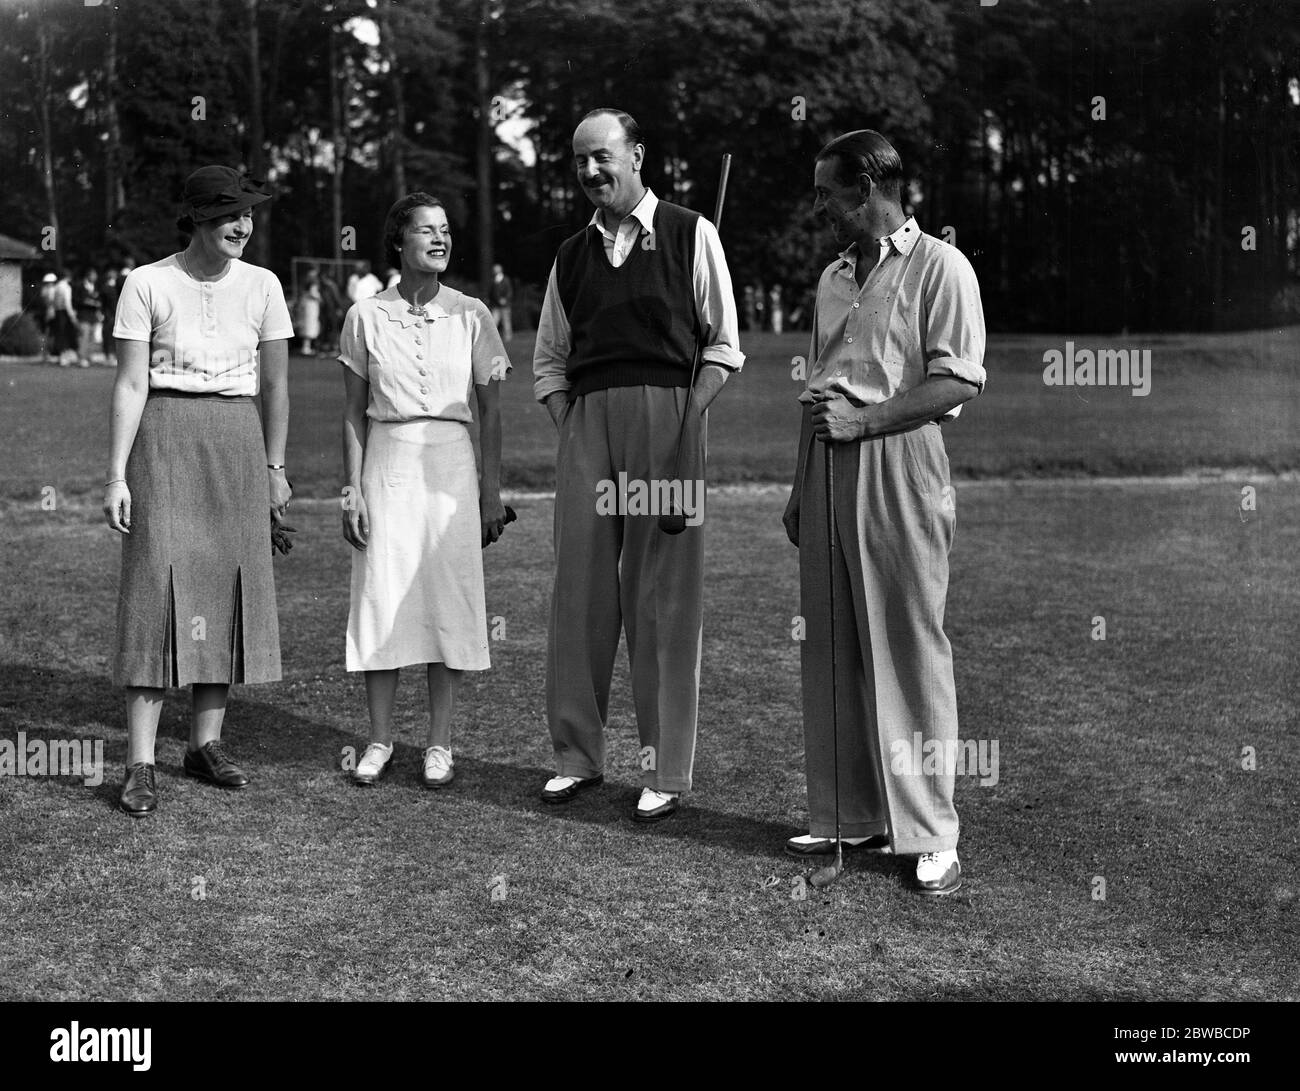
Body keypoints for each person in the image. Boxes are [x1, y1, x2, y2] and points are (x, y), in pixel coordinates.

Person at [782, 130, 986, 895]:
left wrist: (863, 423)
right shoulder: (833, 276)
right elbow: (820, 385)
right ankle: (850, 813)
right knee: (832, 644)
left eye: (826, 192)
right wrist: (799, 487)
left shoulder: (942, 266)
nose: (819, 206)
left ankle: (932, 833)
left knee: (908, 645)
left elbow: (958, 380)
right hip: (826, 461)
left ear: (866, 187)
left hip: (900, 458)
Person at [533, 108, 744, 822]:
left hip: (670, 423)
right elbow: (549, 359)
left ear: (637, 155)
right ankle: (576, 756)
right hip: (589, 423)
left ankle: (663, 768)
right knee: (581, 592)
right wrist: (573, 427)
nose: (591, 170)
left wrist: (688, 420)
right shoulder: (570, 255)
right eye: (580, 160)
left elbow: (723, 346)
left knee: (662, 597)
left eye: (603, 155)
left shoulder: (692, 232)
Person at [103, 165, 294, 816]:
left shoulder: (264, 285)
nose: (243, 225)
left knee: (223, 581)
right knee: (156, 587)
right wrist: (116, 475)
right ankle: (140, 762)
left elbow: (277, 385)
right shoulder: (146, 283)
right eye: (229, 214)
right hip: (163, 438)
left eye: (249, 214)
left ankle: (204, 745)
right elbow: (131, 384)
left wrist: (274, 468)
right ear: (198, 218)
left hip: (237, 440)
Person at [339, 192, 510, 788]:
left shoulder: (472, 314)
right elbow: (353, 412)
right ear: (398, 241)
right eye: (426, 230)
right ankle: (379, 739)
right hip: (386, 463)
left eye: (445, 230)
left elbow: (491, 413)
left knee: (447, 599)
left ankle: (440, 743)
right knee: (381, 596)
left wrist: (490, 491)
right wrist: (352, 490)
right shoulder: (365, 315)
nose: (440, 240)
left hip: (451, 465)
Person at [74, 267, 103, 366]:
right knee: (84, 337)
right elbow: (79, 301)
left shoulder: (96, 287)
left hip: (93, 316)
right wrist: (92, 302)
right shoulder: (80, 286)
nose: (96, 277)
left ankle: (89, 357)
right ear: (89, 275)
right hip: (84, 316)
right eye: (94, 275)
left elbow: (99, 301)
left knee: (92, 338)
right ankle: (82, 358)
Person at [50, 269, 79, 366]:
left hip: (57, 311)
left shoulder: (56, 286)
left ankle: (61, 356)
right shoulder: (66, 287)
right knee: (66, 335)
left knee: (60, 334)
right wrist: (72, 316)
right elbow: (67, 302)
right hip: (64, 312)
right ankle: (64, 358)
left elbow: (53, 300)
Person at [296, 267, 322, 356]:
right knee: (309, 325)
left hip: (308, 305)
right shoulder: (313, 283)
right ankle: (306, 348)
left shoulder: (306, 284)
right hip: (310, 305)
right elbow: (313, 293)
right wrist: (319, 298)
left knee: (308, 325)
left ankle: (307, 347)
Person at [100, 267, 120, 367]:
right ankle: (110, 356)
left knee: (108, 336)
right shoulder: (112, 288)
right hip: (111, 315)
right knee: (110, 337)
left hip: (108, 315)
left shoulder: (105, 288)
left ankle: (109, 355)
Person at [489, 263, 513, 340]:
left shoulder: (506, 280)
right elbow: (492, 293)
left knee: (506, 322)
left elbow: (509, 291)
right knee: (494, 322)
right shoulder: (493, 280)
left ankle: (508, 337)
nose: (494, 271)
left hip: (505, 305)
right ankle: (492, 337)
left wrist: (505, 299)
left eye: (495, 269)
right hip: (495, 305)